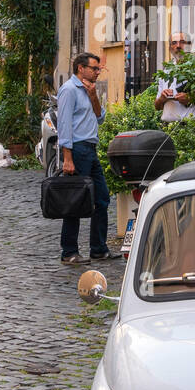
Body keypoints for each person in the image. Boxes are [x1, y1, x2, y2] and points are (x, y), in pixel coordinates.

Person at [58, 51, 121, 264]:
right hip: (76, 150)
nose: (97, 72)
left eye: (98, 69)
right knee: (74, 201)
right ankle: (69, 252)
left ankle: (98, 248)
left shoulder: (89, 90)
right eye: (94, 68)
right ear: (80, 68)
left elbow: (100, 118)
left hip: (90, 150)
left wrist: (94, 96)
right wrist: (67, 157)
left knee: (102, 198)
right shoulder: (69, 90)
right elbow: (64, 124)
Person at [155, 34, 195, 122]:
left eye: (182, 42)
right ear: (170, 48)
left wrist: (191, 99)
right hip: (168, 127)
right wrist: (162, 99)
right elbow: (157, 107)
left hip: (194, 126)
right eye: (174, 43)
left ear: (189, 45)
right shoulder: (166, 71)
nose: (178, 46)